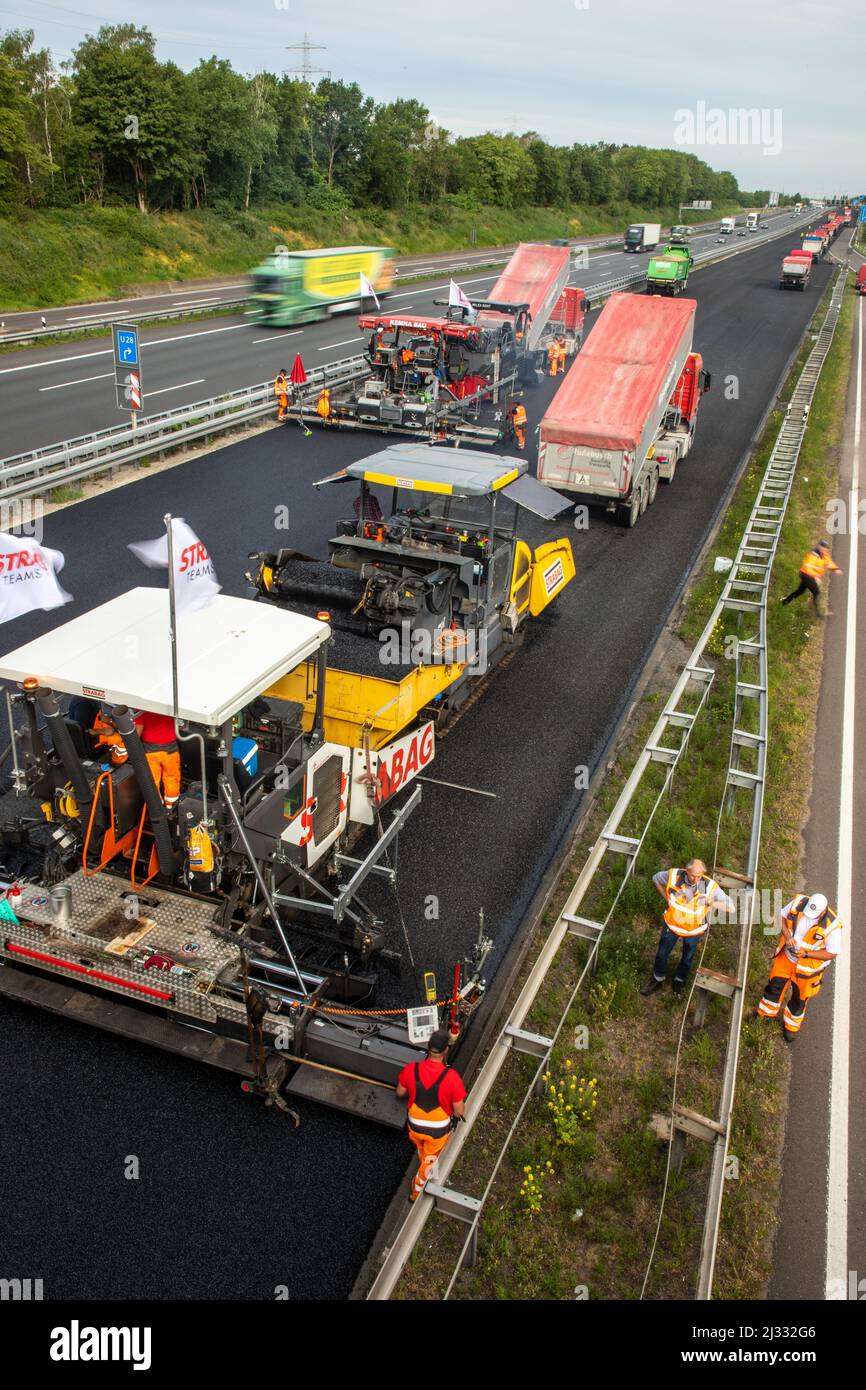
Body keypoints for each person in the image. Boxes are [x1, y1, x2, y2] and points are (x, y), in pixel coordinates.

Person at [756, 892, 843, 1040]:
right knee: (774, 987)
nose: (808, 916)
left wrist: (807, 954)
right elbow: (781, 917)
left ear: (823, 911)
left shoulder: (832, 926)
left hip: (807, 970)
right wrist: (788, 937)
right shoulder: (798, 903)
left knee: (799, 999)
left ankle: (791, 1027)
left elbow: (832, 953)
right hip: (786, 959)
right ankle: (765, 1013)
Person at [641, 859, 734, 995]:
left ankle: (678, 982)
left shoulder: (709, 886)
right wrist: (666, 898)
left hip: (693, 930)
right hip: (672, 925)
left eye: (699, 876)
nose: (696, 879)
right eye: (693, 875)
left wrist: (712, 902)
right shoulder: (673, 876)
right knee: (662, 954)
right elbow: (655, 878)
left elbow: (730, 907)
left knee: (687, 958)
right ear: (687, 871)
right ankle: (657, 979)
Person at [396, 1029, 466, 1202]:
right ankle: (416, 1193)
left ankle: (423, 1153)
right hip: (437, 1132)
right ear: (445, 1051)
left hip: (414, 1127)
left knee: (422, 1146)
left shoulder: (411, 1069)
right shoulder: (452, 1078)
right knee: (429, 1159)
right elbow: (459, 1111)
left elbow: (400, 1092)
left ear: (428, 1047)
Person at [135, 709, 181, 809]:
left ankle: (157, 809)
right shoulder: (171, 707)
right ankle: (172, 807)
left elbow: (137, 732)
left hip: (151, 751)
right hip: (171, 750)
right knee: (171, 778)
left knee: (152, 781)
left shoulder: (141, 710)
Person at [781, 539, 841, 615]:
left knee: (800, 591)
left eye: (825, 547)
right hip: (806, 575)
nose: (824, 548)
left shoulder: (824, 555)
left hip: (810, 576)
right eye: (822, 546)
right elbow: (807, 567)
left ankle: (785, 602)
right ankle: (818, 612)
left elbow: (829, 563)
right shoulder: (812, 555)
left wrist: (835, 569)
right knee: (816, 592)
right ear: (818, 546)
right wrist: (815, 577)